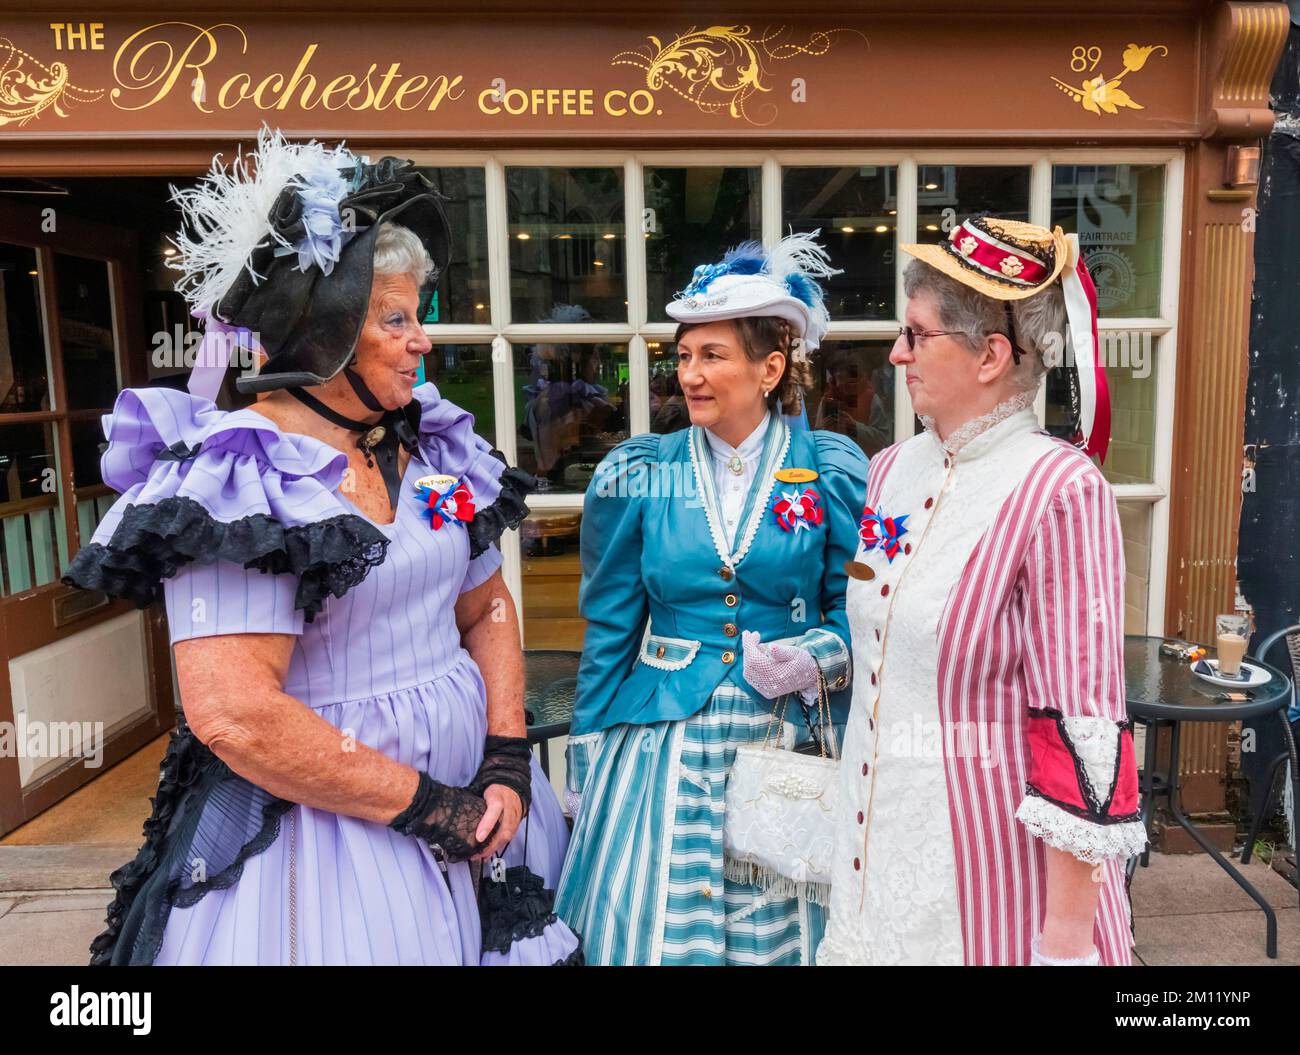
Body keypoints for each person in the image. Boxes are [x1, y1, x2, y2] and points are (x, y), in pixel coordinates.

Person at [63, 129, 579, 966]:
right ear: (321, 332)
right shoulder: (242, 480)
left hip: (483, 809)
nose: (423, 341)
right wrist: (426, 807)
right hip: (336, 840)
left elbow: (484, 603)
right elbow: (237, 714)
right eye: (397, 319)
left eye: (421, 316)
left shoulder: (435, 446)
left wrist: (508, 757)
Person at [817, 215, 1146, 966]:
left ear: (991, 354)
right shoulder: (889, 469)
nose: (896, 352)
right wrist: (821, 662)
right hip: (871, 867)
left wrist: (1065, 943)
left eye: (917, 334)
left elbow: (1083, 724)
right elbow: (884, 622)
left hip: (990, 899)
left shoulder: (1060, 491)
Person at [554, 235, 869, 964]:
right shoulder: (639, 471)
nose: (690, 374)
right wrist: (590, 748)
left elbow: (857, 611)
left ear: (770, 368)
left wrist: (815, 655)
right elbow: (610, 625)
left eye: (712, 356)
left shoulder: (827, 467)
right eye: (684, 356)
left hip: (779, 741)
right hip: (665, 744)